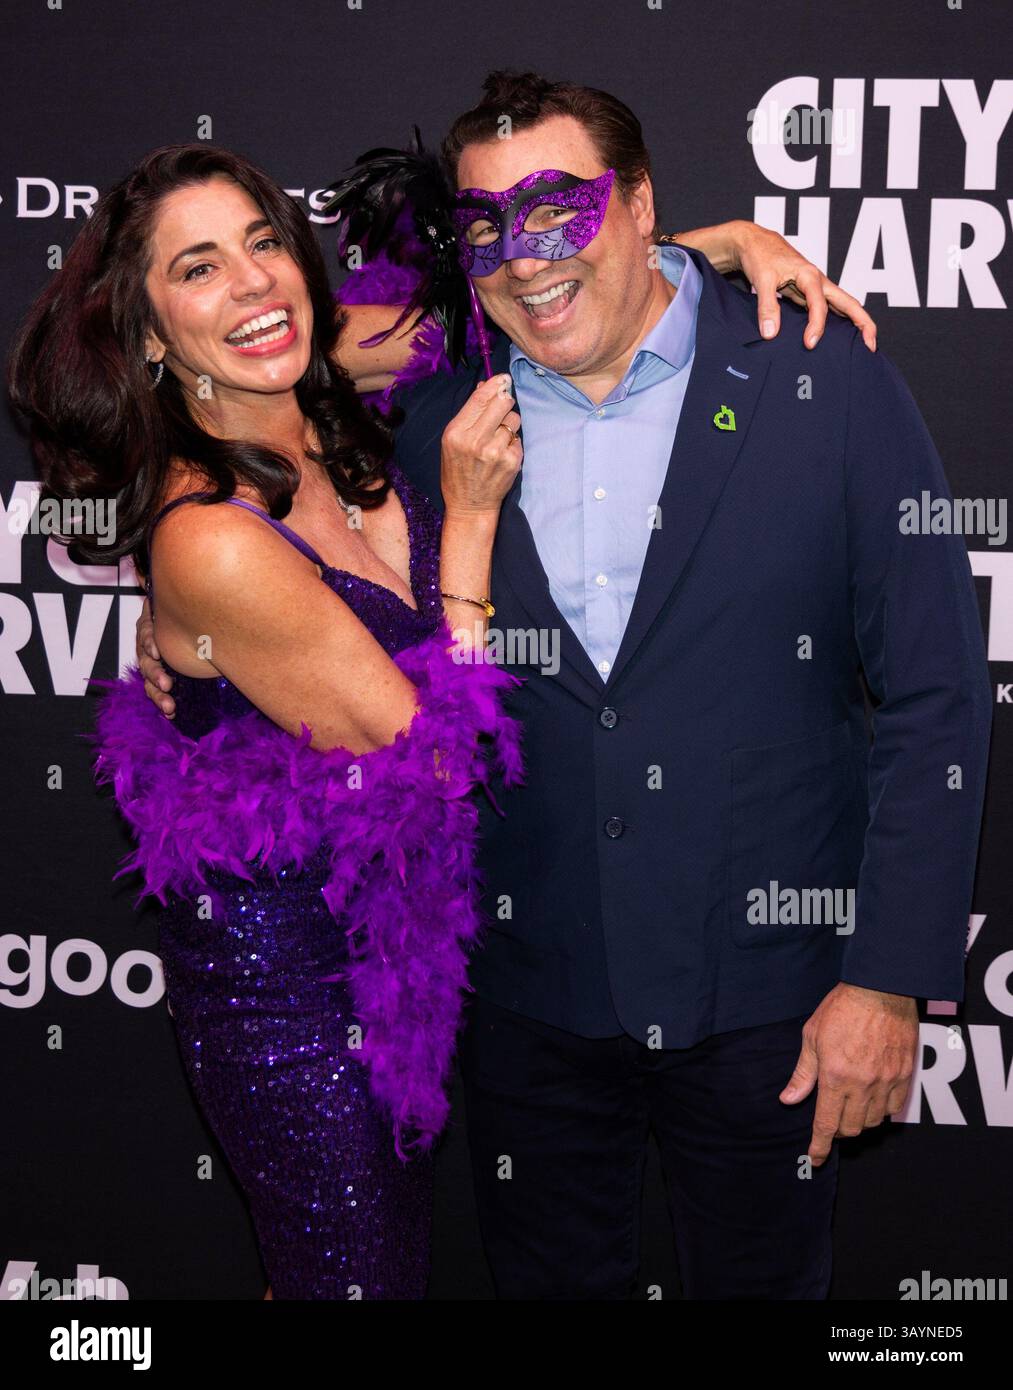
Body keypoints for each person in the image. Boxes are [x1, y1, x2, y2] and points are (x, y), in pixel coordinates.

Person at [132, 83, 918, 1300]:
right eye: (491, 225)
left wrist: (883, 974)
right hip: (506, 1005)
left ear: (638, 203)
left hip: (767, 995)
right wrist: (196, 617)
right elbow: (408, 720)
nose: (527, 253)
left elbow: (930, 696)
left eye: (563, 209)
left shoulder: (812, 369)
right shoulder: (428, 417)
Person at [8, 142, 529, 1300]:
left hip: (406, 963)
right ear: (150, 335)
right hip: (299, 1017)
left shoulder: (312, 379)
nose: (251, 284)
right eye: (198, 268)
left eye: (262, 243)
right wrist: (473, 533)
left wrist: (720, 253)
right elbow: (438, 761)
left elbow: (528, 300)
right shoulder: (212, 539)